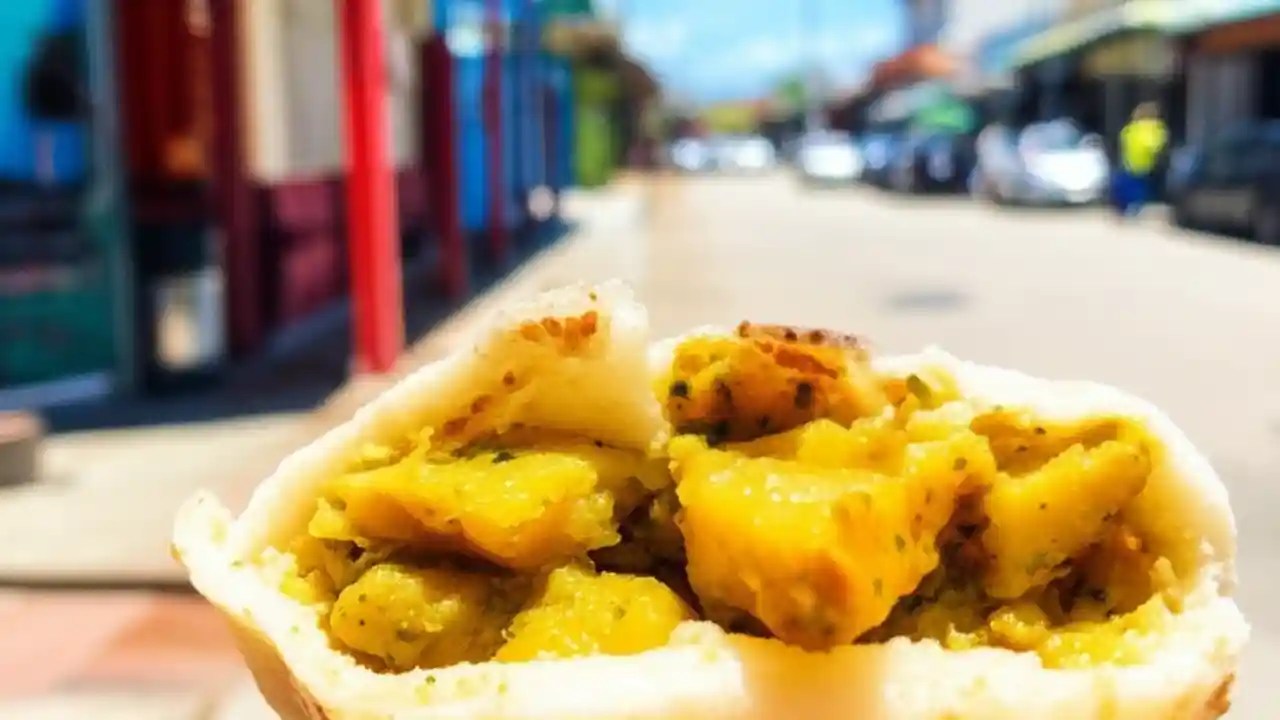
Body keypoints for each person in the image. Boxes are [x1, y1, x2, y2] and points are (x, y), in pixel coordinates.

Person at [1114, 102, 1169, 218]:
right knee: (1139, 189)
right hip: (1145, 163)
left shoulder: (1131, 128)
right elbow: (1158, 144)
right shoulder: (1156, 128)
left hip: (1130, 163)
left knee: (1130, 188)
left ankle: (1127, 208)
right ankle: (1134, 208)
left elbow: (1123, 142)